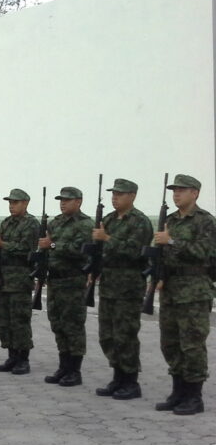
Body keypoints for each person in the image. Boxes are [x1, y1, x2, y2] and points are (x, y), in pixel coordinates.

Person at [152, 174, 216, 414]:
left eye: (182, 190)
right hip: (171, 288)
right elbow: (162, 255)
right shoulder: (170, 220)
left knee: (192, 344)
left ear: (195, 193)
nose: (176, 194)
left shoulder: (205, 221)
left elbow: (204, 252)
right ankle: (178, 391)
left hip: (194, 290)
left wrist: (171, 241)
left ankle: (194, 396)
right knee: (170, 342)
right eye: (174, 190)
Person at [92, 179, 153, 399]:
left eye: (120, 194)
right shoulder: (108, 219)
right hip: (109, 284)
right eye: (113, 194)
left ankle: (130, 381)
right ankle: (117, 377)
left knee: (125, 334)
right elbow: (99, 250)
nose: (114, 197)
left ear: (132, 196)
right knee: (107, 334)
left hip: (128, 286)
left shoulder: (140, 221)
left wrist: (107, 238)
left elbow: (135, 250)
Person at [39, 186, 94, 386]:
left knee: (73, 325)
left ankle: (74, 370)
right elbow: (47, 249)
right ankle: (63, 366)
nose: (63, 203)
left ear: (78, 201)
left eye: (67, 200)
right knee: (58, 324)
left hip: (73, 280)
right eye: (61, 199)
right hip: (55, 279)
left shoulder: (85, 224)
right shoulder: (56, 223)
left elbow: (81, 250)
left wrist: (53, 245)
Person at [0, 189, 38, 375]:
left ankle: (23, 358)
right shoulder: (6, 223)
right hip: (4, 277)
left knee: (20, 320)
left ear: (25, 203)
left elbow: (27, 248)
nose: (12, 205)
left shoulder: (31, 224)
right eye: (10, 202)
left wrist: (3, 245)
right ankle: (11, 355)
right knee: (3, 320)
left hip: (20, 278)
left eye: (15, 202)